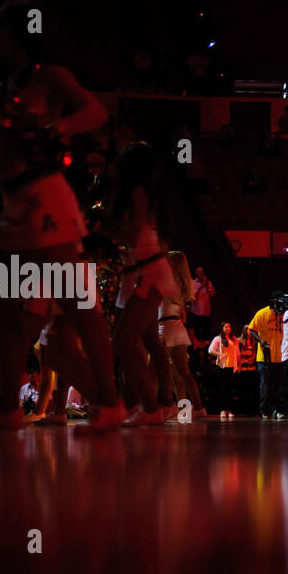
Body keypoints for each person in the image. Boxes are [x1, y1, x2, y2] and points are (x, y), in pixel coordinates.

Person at [0, 0, 119, 432]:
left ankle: (111, 403)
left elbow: (96, 111)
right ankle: (7, 407)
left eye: (0, 27)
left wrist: (54, 130)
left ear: (18, 32)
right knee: (5, 308)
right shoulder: (0, 91)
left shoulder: (50, 75)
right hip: (13, 205)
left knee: (79, 305)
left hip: (48, 200)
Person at [103, 143, 177, 427]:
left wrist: (103, 229)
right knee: (141, 340)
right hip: (147, 272)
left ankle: (149, 406)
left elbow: (132, 237)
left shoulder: (136, 192)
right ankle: (147, 405)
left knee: (122, 341)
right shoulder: (144, 193)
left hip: (150, 273)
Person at [160, 251, 206, 419]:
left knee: (159, 370)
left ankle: (164, 407)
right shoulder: (181, 283)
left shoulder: (170, 281)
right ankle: (198, 407)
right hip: (175, 326)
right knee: (183, 373)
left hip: (165, 326)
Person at [207, 321, 241, 417]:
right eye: (226, 327)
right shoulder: (218, 338)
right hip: (222, 367)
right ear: (222, 328)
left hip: (231, 367)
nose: (228, 329)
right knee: (223, 389)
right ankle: (222, 410)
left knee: (230, 390)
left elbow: (238, 353)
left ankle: (229, 410)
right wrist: (220, 354)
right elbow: (210, 350)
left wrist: (239, 365)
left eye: (229, 327)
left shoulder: (233, 339)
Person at [189, 266, 214, 340]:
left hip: (206, 312)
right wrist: (201, 286)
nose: (201, 273)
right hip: (197, 313)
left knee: (207, 333)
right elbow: (193, 298)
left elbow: (213, 294)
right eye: (199, 272)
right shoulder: (193, 283)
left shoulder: (208, 283)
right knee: (196, 332)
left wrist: (206, 285)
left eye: (202, 272)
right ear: (196, 273)